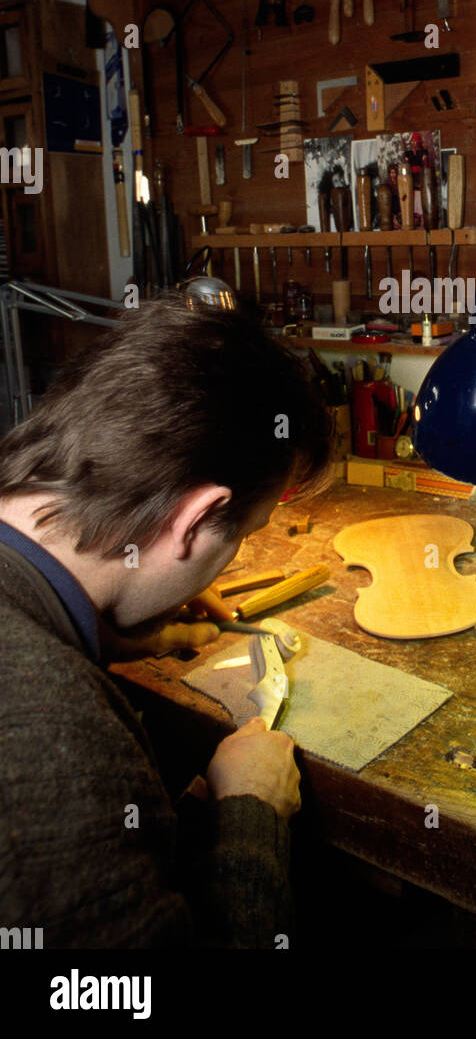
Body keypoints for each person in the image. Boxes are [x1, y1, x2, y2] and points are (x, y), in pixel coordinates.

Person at [0, 296, 332, 947]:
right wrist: (250, 812)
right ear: (191, 519)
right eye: (246, 533)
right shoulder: (55, 740)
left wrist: (97, 632)